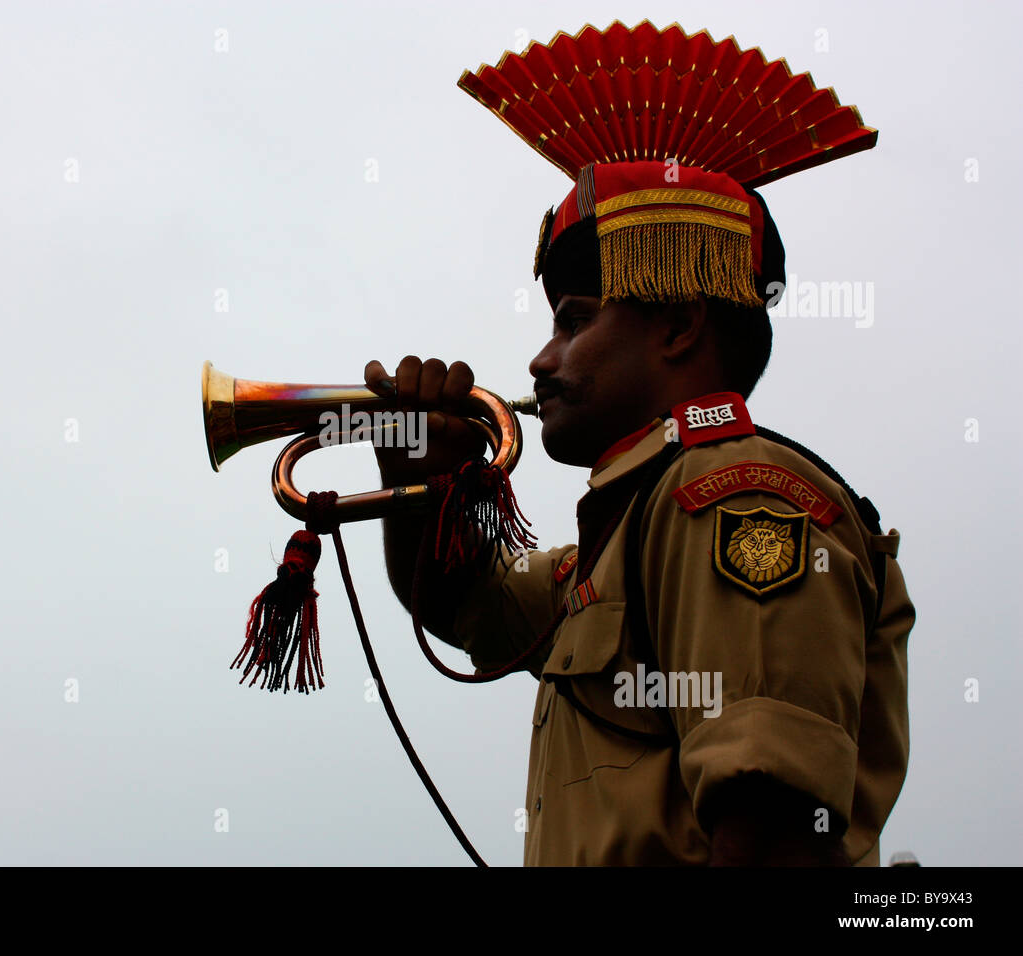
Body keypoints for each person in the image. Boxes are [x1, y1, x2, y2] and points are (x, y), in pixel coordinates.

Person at [362, 26, 915, 866]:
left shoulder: (735, 492)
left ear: (680, 327)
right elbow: (468, 610)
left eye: (576, 322)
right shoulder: (619, 540)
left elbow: (768, 821)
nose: (542, 360)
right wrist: (419, 481)